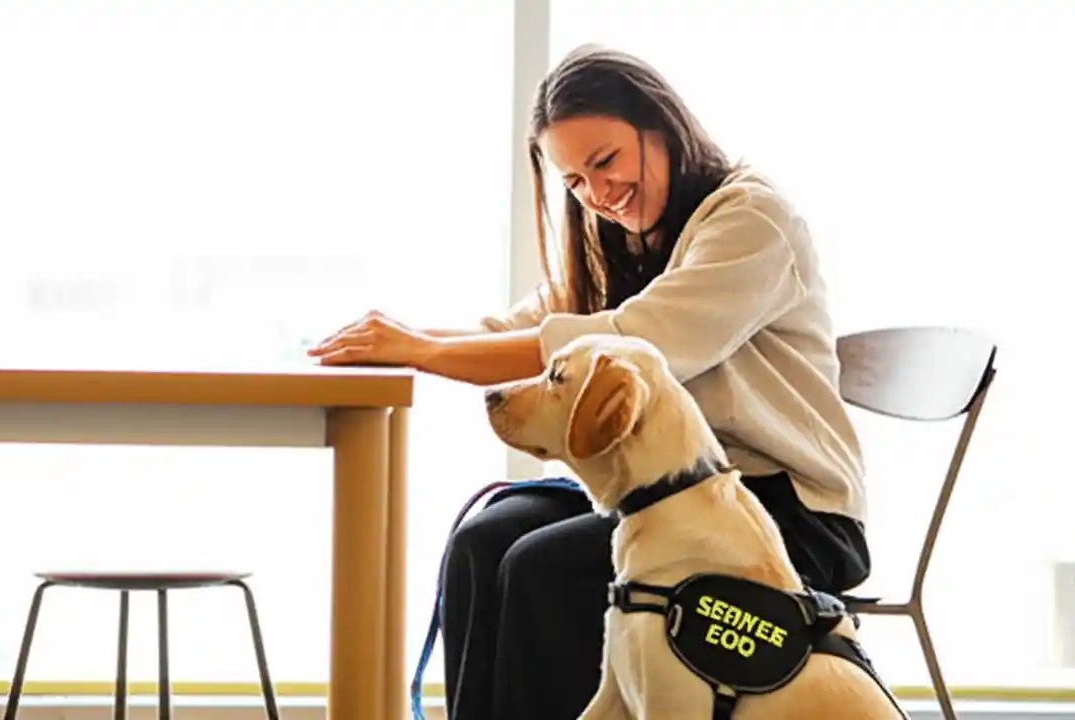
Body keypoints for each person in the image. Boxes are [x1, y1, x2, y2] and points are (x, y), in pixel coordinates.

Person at [308, 44, 871, 720]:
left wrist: (422, 350)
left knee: (545, 568)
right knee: (481, 544)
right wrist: (396, 344)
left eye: (605, 161)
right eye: (575, 181)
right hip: (663, 498)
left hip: (787, 508)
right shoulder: (622, 238)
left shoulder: (752, 219)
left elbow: (639, 339)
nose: (598, 195)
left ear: (662, 125)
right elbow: (516, 331)